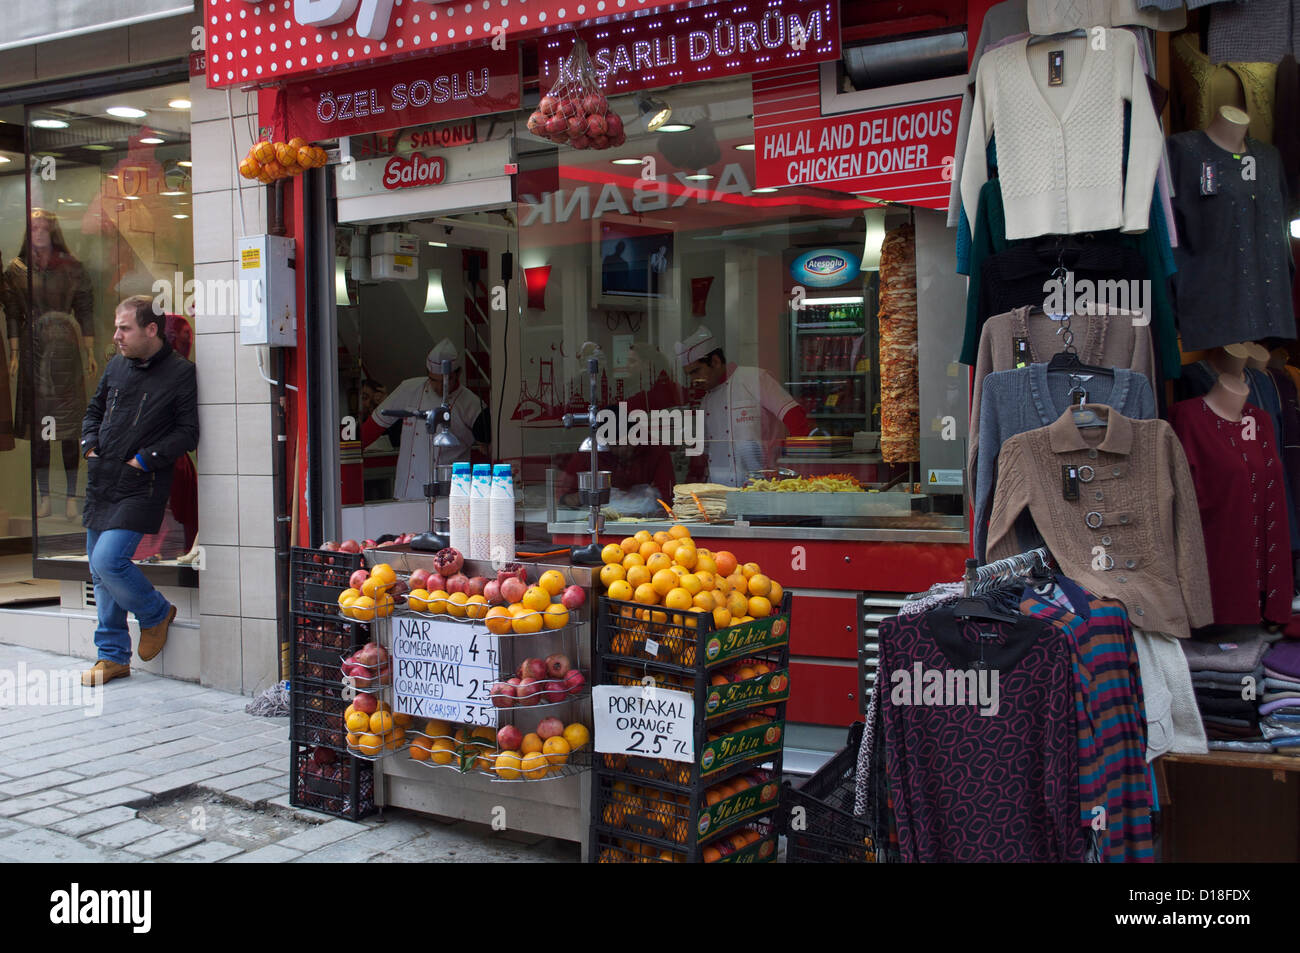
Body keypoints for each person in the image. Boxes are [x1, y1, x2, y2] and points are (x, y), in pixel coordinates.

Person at [78, 295, 199, 687]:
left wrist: (145, 459)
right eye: (116, 327)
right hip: (103, 480)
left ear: (151, 330)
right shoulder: (116, 366)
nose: (116, 336)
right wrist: (89, 445)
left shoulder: (181, 373)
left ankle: (155, 612)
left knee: (108, 561)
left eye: (124, 328)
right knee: (99, 572)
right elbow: (93, 410)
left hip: (141, 484)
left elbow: (188, 432)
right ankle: (112, 656)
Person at [3, 208, 96, 519]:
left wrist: (90, 350)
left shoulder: (72, 268)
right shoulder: (17, 270)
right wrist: (15, 352)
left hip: (65, 346)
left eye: (44, 228)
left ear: (53, 233)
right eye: (35, 228)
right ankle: (44, 496)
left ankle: (70, 496)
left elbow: (84, 308)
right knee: (40, 427)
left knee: (69, 426)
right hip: (32, 348)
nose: (39, 233)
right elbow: (13, 312)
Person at [675, 325, 812, 486]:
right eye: (689, 374)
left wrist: (801, 469)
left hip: (764, 488)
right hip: (719, 494)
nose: (693, 379)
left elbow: (795, 416)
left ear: (715, 361)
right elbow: (704, 453)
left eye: (696, 371)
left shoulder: (754, 379)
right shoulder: (706, 402)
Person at [360, 338, 489, 500]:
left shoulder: (472, 404)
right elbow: (374, 426)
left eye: (445, 381)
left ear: (458, 374)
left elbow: (487, 449)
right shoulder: (408, 389)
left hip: (448, 495)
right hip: (405, 494)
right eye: (433, 380)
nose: (438, 387)